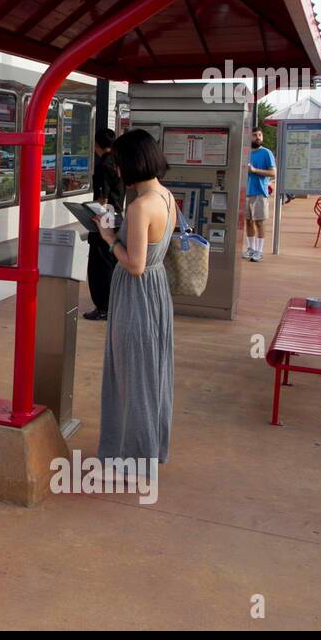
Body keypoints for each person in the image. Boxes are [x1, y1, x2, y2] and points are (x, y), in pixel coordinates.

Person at [95, 128, 176, 465]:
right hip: (157, 294)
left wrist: (108, 236)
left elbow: (135, 265)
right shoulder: (166, 196)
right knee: (151, 372)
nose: (116, 170)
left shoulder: (141, 206)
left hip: (137, 296)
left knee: (131, 375)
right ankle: (149, 446)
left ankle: (134, 453)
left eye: (119, 163)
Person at [83, 128, 123, 321]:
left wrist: (93, 216)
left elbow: (102, 199)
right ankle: (113, 304)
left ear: (96, 144)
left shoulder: (103, 165)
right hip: (116, 217)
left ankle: (103, 306)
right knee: (111, 262)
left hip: (105, 218)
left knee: (99, 265)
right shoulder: (117, 162)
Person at [244, 127, 276, 261]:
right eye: (254, 135)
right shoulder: (245, 152)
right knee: (248, 221)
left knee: (259, 222)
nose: (258, 137)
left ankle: (259, 251)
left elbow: (273, 173)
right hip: (245, 192)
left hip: (259, 193)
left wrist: (255, 170)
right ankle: (250, 248)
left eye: (259, 135)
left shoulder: (266, 153)